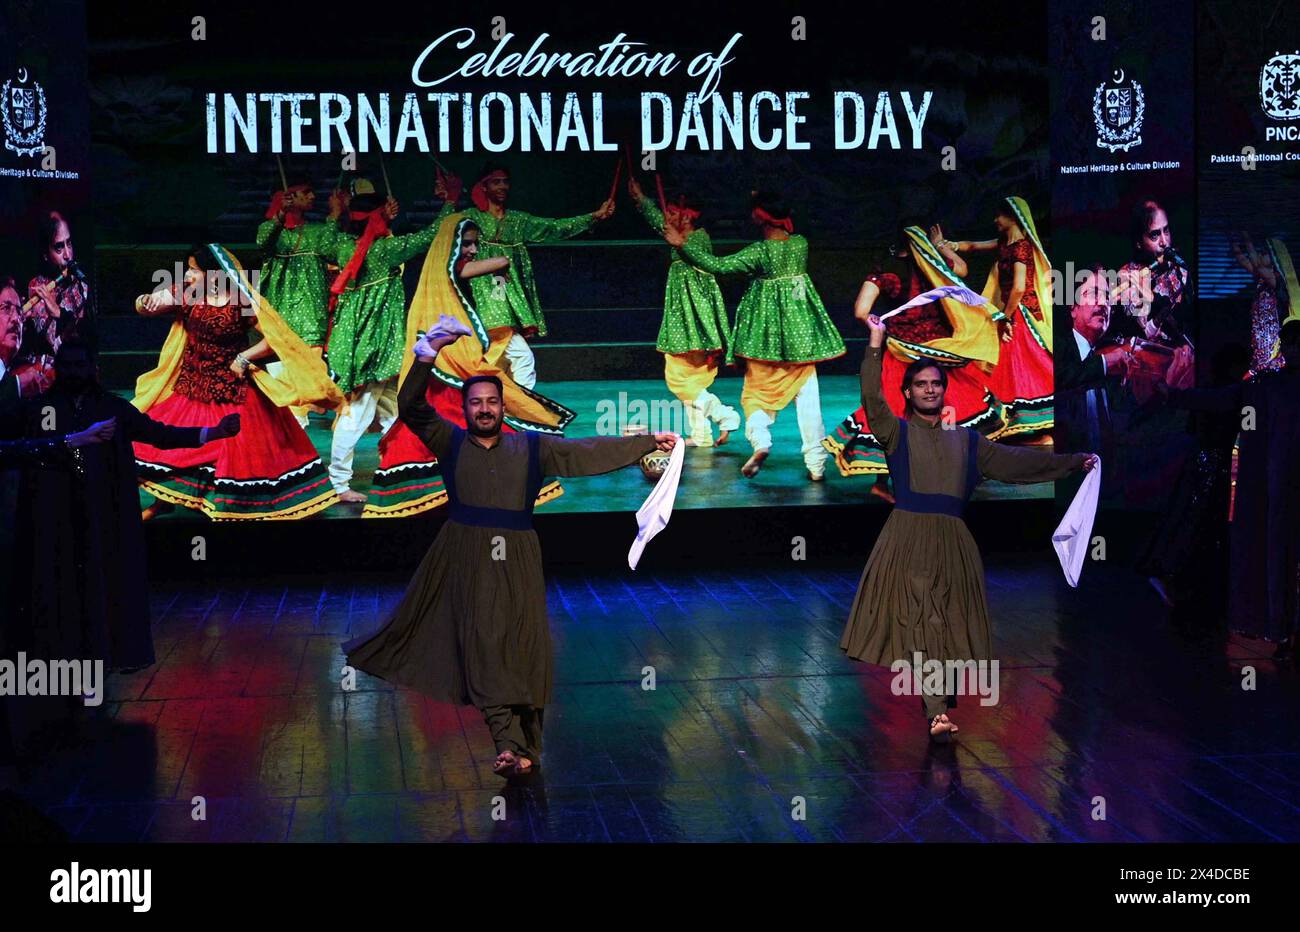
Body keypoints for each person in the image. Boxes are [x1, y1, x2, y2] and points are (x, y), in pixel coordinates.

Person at [345, 327, 676, 776]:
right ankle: (506, 744)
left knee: (525, 651)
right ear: (465, 409)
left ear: (504, 408)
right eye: (476, 402)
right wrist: (425, 357)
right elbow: (412, 408)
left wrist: (645, 442)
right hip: (464, 554)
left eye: (492, 402)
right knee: (484, 645)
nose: (484, 408)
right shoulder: (451, 442)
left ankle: (525, 752)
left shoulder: (532, 447)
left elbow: (586, 453)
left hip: (518, 555)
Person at [840, 313, 1095, 741]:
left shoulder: (968, 441)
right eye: (920, 384)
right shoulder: (896, 434)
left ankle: (940, 699)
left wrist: (1072, 462)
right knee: (923, 621)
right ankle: (936, 710)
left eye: (936, 384)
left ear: (944, 391)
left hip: (953, 542)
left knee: (947, 624)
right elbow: (871, 394)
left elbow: (1018, 464)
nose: (929, 390)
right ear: (908, 392)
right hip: (907, 538)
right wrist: (876, 342)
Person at [15, 337, 240, 671]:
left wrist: (213, 432)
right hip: (57, 516)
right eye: (67, 365)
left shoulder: (111, 408)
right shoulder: (43, 409)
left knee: (105, 587)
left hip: (103, 513)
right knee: (62, 591)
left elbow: (160, 435)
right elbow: (26, 448)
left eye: (80, 365)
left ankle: (106, 658)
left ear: (93, 368)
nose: (73, 371)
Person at [363, 214, 575, 518]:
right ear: (450, 245)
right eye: (467, 243)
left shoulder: (443, 280)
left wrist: (499, 291)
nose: (473, 249)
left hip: (454, 362)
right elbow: (495, 263)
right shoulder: (451, 271)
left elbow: (492, 275)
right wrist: (501, 267)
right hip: (450, 367)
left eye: (476, 243)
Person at [132, 243, 343, 520]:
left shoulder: (241, 301)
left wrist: (244, 357)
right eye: (189, 270)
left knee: (230, 451)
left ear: (214, 274)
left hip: (231, 389)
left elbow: (273, 339)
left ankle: (220, 508)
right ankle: (164, 500)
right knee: (174, 446)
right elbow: (151, 305)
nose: (188, 275)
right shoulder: (187, 293)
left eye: (195, 271)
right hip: (193, 388)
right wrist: (146, 300)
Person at [667, 190, 845, 480]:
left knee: (755, 397)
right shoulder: (801, 245)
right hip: (801, 342)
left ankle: (761, 442)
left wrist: (682, 246)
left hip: (766, 343)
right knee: (809, 402)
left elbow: (718, 266)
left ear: (761, 217)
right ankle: (816, 466)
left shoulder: (760, 252)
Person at [824, 222, 1004, 492]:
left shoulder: (886, 271)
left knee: (896, 411)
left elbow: (861, 310)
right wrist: (942, 246)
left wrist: (881, 327)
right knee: (949, 408)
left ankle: (884, 482)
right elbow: (963, 270)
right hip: (937, 353)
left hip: (901, 354)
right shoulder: (935, 266)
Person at [1161, 318, 1300, 658]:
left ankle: (1284, 633)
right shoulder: (1265, 387)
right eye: (1291, 344)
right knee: (1278, 556)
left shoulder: (1268, 387)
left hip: (1282, 488)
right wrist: (1175, 397)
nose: (1294, 351)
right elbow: (1220, 399)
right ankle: (1282, 633)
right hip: (1279, 491)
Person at [440, 163, 616, 389]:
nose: (503, 186)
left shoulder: (518, 220)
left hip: (505, 286)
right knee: (514, 350)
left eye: (505, 182)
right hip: (485, 287)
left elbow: (554, 227)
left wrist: (594, 217)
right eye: (496, 182)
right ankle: (521, 408)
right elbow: (444, 234)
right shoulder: (472, 218)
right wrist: (448, 199)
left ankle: (498, 403)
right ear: (483, 187)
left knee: (500, 356)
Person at [326, 179, 444, 503]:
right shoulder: (384, 250)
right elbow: (428, 236)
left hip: (366, 343)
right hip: (373, 348)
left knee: (396, 411)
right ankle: (339, 483)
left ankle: (404, 467)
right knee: (357, 414)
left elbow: (338, 235)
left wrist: (338, 214)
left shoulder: (344, 244)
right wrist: (450, 203)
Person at [629, 174, 740, 448]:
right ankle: (701, 435)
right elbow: (659, 223)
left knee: (677, 376)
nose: (667, 216)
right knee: (689, 376)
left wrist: (681, 242)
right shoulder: (680, 234)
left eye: (673, 211)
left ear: (689, 214)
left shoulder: (698, 239)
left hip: (694, 320)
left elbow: (705, 270)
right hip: (683, 316)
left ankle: (724, 415)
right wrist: (641, 198)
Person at [949, 197, 1055, 439]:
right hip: (1010, 311)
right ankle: (1024, 424)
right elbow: (973, 246)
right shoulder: (1005, 243)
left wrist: (1005, 318)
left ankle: (1041, 424)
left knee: (1028, 368)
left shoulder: (1021, 247)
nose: (995, 220)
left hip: (1021, 312)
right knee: (1012, 368)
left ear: (1013, 217)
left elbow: (1018, 288)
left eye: (999, 215)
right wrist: (947, 245)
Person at [255, 180, 345, 426]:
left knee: (310, 369)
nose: (313, 195)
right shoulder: (272, 230)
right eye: (306, 192)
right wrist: (281, 215)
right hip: (281, 310)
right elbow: (263, 243)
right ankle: (290, 421)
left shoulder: (317, 231)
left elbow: (330, 251)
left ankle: (299, 419)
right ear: (289, 197)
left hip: (312, 311)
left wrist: (334, 216)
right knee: (285, 369)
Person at [1054, 266, 1132, 458]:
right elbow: (1061, 379)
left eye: (1107, 297)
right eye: (1094, 293)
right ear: (1073, 308)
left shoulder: (1114, 362)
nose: (1103, 303)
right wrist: (1104, 363)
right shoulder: (1055, 347)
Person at [1114, 199, 1191, 349]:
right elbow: (1144, 333)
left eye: (1166, 231)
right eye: (1155, 235)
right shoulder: (1127, 275)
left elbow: (1185, 325)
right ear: (1139, 242)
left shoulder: (1180, 269)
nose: (1164, 242)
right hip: (1146, 359)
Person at [22, 211, 92, 365]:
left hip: (74, 367)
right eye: (59, 248)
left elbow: (82, 339)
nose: (68, 255)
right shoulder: (35, 286)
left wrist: (59, 312)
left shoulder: (82, 286)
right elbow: (48, 346)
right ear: (46, 254)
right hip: (42, 371)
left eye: (69, 243)